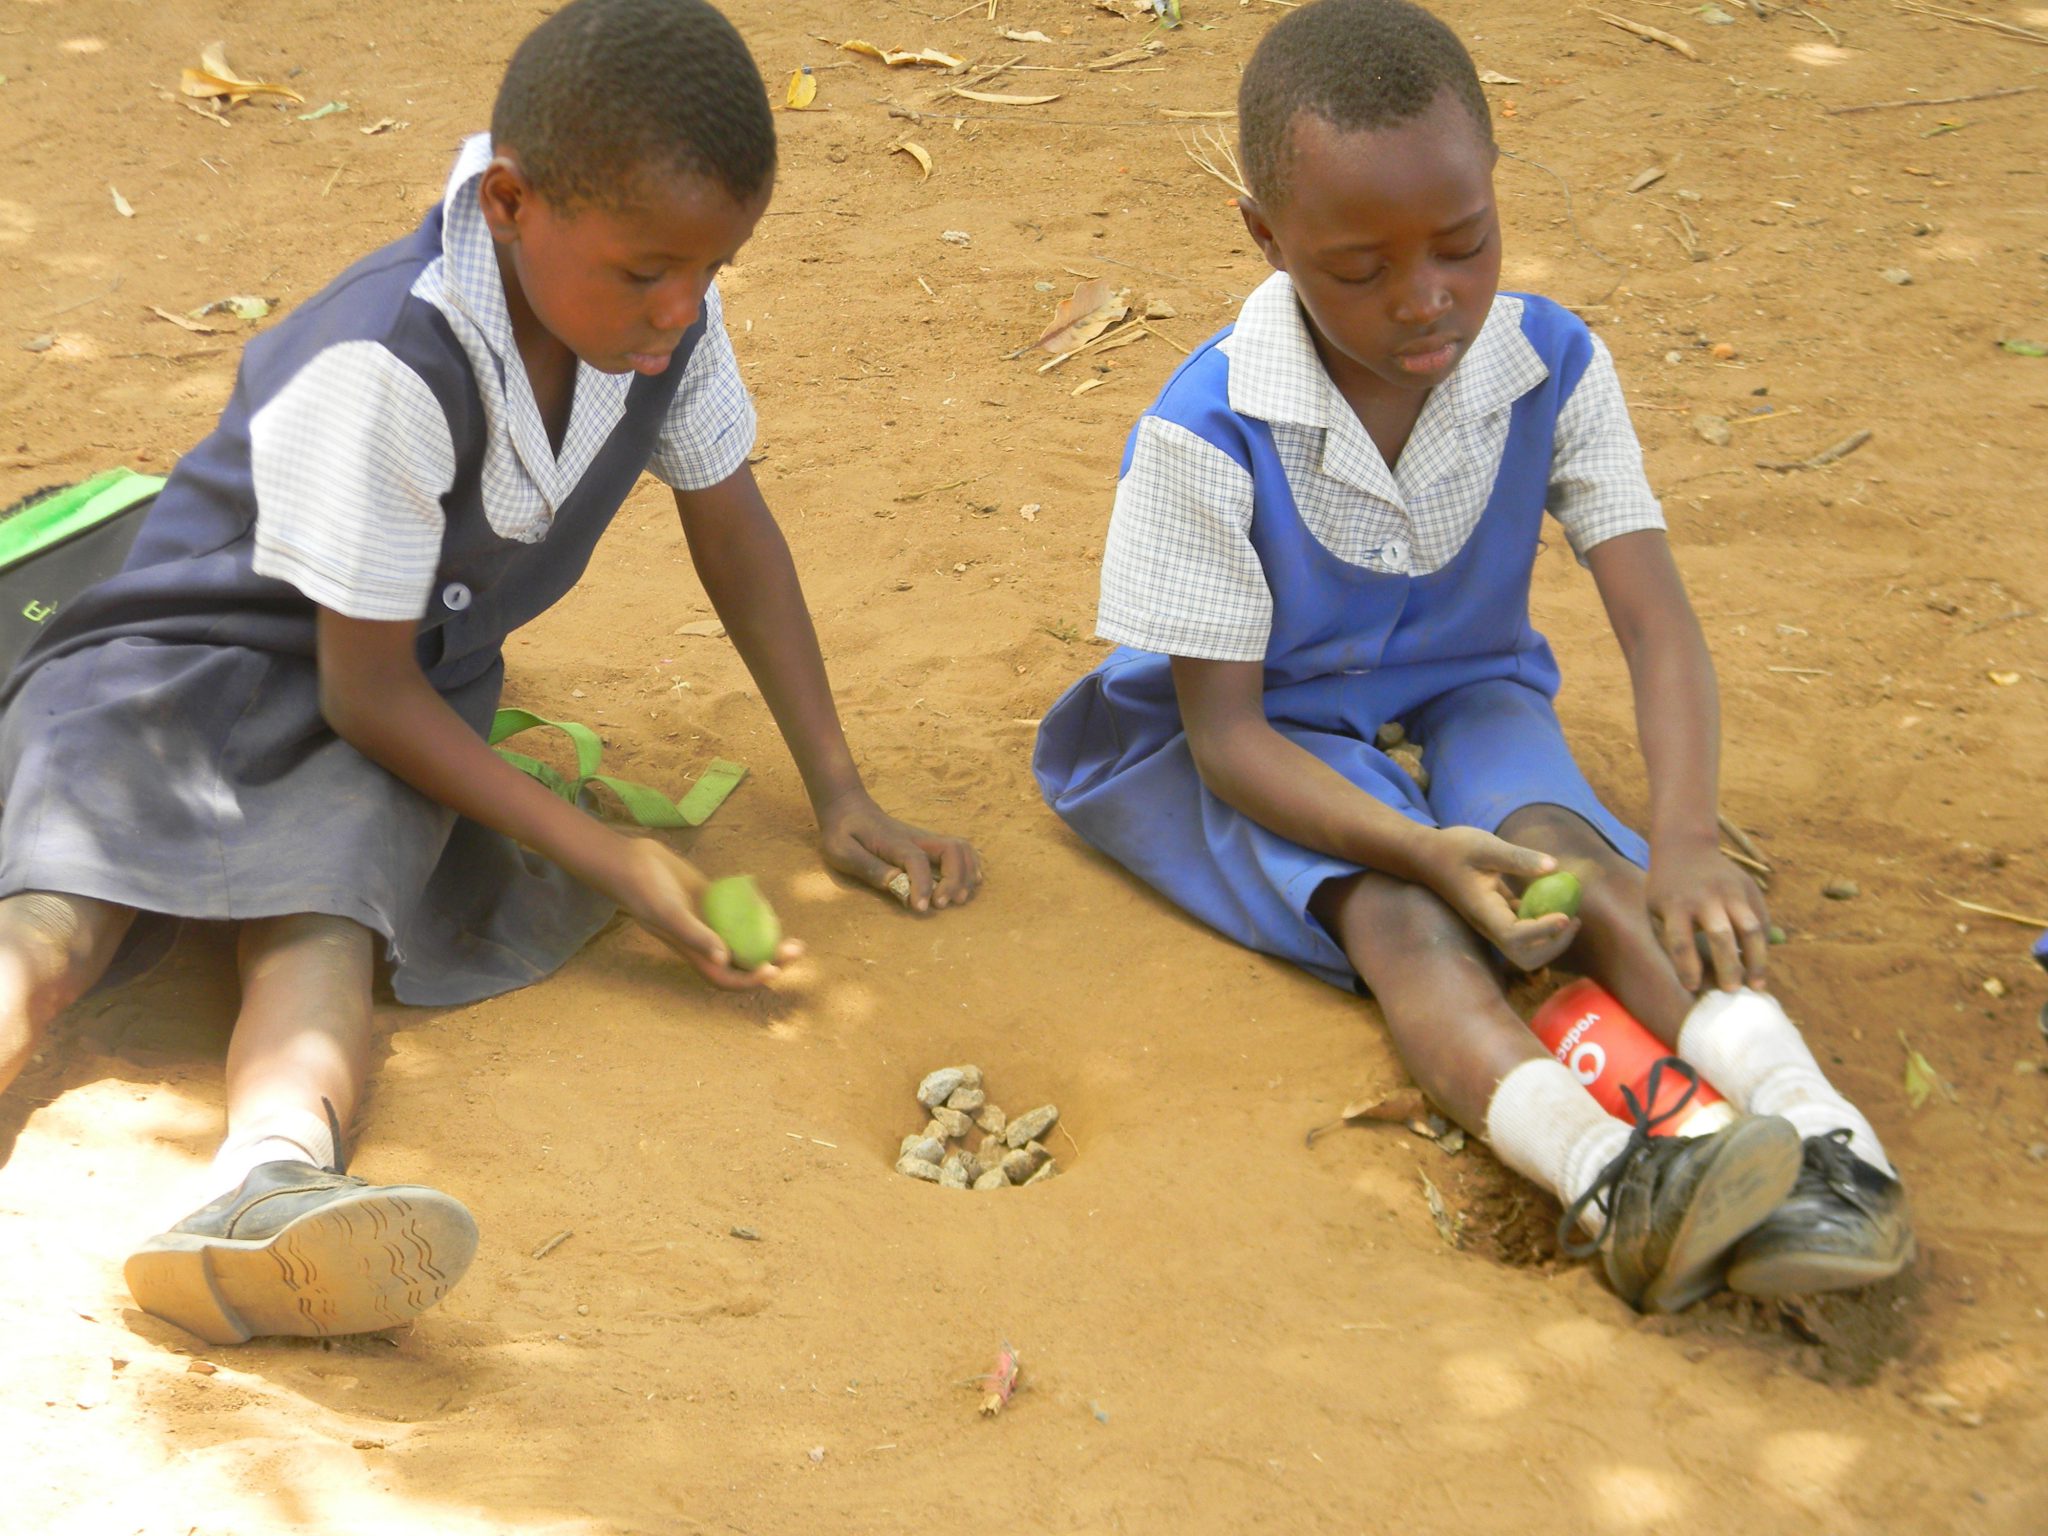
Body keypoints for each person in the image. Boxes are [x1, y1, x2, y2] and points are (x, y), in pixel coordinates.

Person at [0, 0, 980, 1346]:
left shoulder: (661, 318)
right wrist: (611, 855)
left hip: (377, 721)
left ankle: (264, 1192)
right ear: (513, 204)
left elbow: (730, 522)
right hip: (181, 679)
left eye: (716, 266)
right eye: (649, 271)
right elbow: (363, 689)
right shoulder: (387, 361)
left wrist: (840, 786)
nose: (683, 305)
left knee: (325, 929)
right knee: (52, 936)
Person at [1034, 0, 1907, 1311]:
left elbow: (1654, 618)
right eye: (1358, 268)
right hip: (1267, 736)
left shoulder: (1553, 366)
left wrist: (1681, 836)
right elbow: (1228, 739)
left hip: (1463, 682)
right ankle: (1614, 1180)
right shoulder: (1204, 434)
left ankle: (1828, 1144)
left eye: (1463, 244)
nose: (1425, 298)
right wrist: (1425, 847)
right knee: (1403, 916)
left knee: (1585, 863)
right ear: (1267, 243)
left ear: (1497, 193)